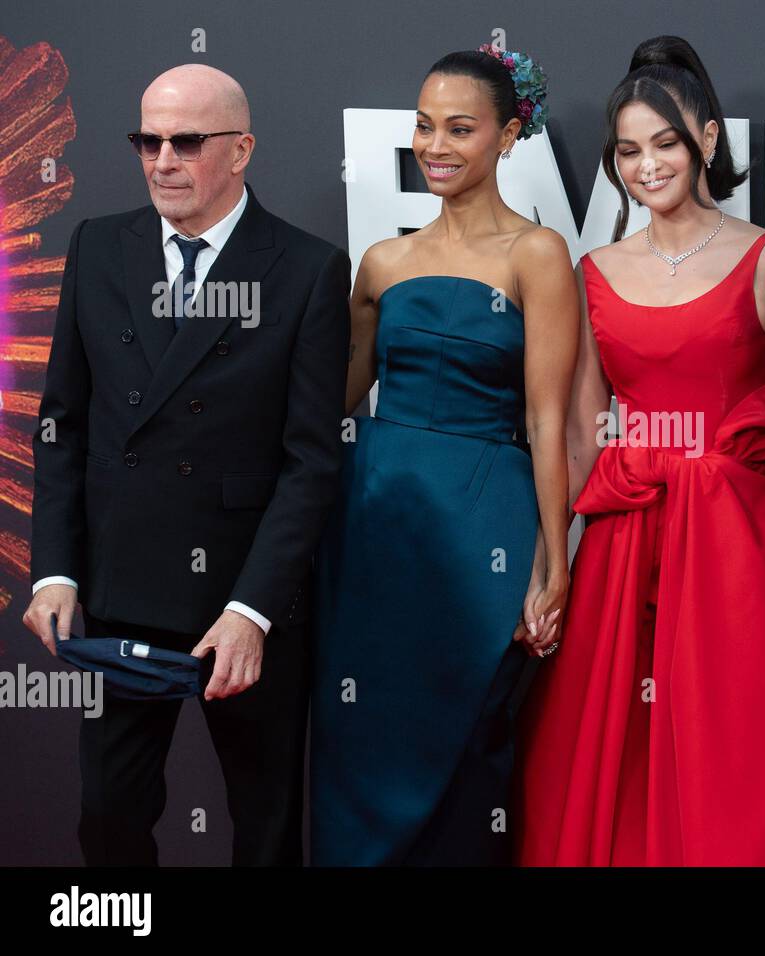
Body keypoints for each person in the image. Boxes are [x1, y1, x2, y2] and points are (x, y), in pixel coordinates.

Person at [514, 36, 765, 866]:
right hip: (628, 537)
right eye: (627, 150)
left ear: (708, 139)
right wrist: (552, 567)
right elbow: (585, 433)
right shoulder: (594, 271)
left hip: (741, 537)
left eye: (665, 143)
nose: (646, 165)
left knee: (741, 730)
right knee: (618, 739)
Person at [25, 64, 351, 865]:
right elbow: (63, 425)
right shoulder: (98, 245)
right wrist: (54, 573)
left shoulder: (309, 270)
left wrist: (252, 612)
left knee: (266, 827)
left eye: (186, 142)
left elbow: (311, 461)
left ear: (241, 150)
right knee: (108, 818)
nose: (162, 160)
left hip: (247, 603)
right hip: (122, 592)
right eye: (148, 140)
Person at [309, 44, 577, 866]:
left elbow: (547, 417)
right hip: (376, 526)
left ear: (506, 137)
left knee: (466, 744)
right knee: (361, 736)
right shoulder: (383, 263)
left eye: (460, 128)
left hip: (482, 532)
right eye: (425, 126)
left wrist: (552, 560)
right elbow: (327, 407)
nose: (436, 145)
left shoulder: (536, 255)